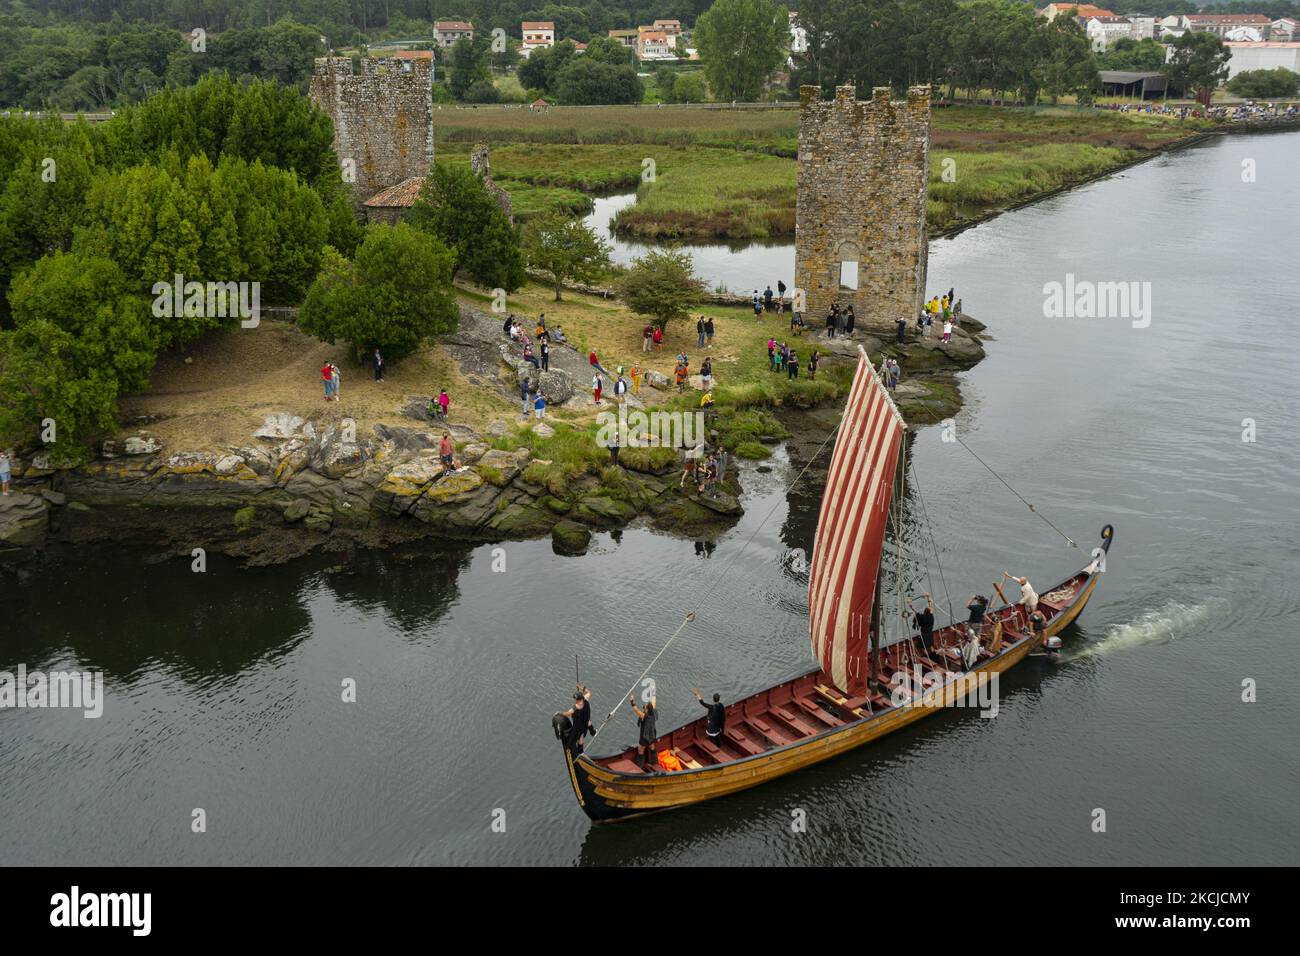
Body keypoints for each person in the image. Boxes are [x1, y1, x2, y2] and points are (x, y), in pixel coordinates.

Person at [629, 693, 658, 772]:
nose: (643, 708)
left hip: (644, 737)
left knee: (640, 751)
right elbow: (654, 701)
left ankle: (639, 767)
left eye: (645, 707)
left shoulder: (644, 716)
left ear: (647, 710)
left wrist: (631, 701)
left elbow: (636, 710)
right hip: (652, 735)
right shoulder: (654, 713)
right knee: (652, 748)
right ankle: (654, 763)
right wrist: (653, 692)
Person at [562, 685, 595, 756]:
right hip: (586, 719)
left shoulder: (576, 706)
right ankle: (593, 732)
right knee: (588, 723)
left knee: (580, 736)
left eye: (576, 699)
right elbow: (588, 692)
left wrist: (560, 713)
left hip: (579, 724)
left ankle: (580, 751)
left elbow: (568, 713)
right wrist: (580, 686)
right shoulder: (586, 698)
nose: (575, 700)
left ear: (578, 699)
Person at [908, 593, 936, 657]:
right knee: (931, 645)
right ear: (929, 611)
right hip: (930, 633)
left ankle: (928, 657)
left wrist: (910, 604)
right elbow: (930, 606)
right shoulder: (931, 616)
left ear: (924, 612)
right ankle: (934, 656)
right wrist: (928, 596)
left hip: (924, 634)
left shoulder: (922, 617)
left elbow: (915, 611)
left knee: (923, 647)